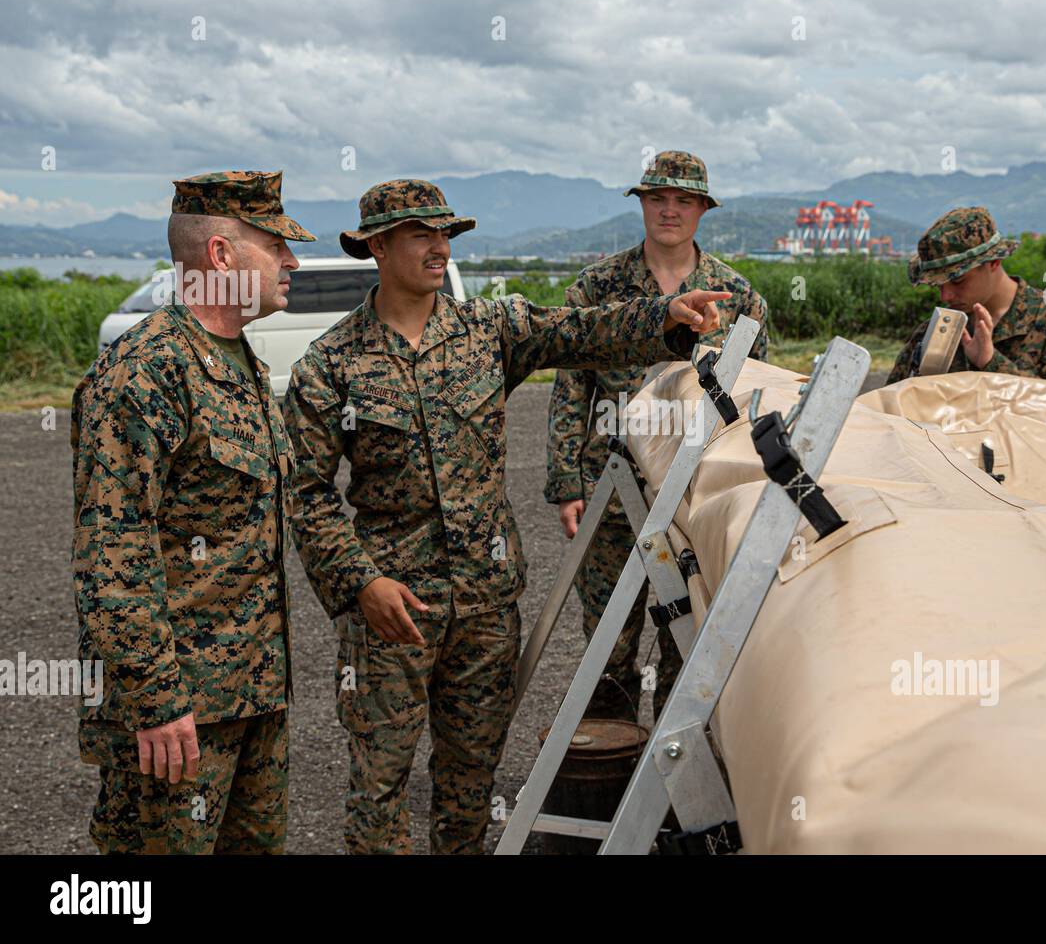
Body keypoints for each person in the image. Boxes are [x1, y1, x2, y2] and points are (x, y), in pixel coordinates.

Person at [283, 178, 728, 854]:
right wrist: (360, 583)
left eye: (446, 235)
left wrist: (666, 314)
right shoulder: (330, 364)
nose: (439, 248)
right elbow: (306, 494)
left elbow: (579, 330)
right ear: (377, 246)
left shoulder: (488, 330)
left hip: (486, 612)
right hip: (392, 613)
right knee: (379, 792)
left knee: (469, 784)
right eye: (420, 235)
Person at [71, 170, 313, 853]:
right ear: (222, 257)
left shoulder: (239, 363)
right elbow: (112, 556)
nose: (292, 261)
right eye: (277, 245)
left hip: (253, 696)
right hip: (178, 718)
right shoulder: (144, 373)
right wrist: (156, 701)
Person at [545, 150, 767, 724]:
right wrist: (567, 483)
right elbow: (571, 387)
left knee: (687, 643)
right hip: (610, 488)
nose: (669, 210)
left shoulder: (736, 296)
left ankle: (675, 796)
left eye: (683, 200)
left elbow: (752, 403)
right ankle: (610, 777)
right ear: (642, 204)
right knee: (608, 645)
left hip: (695, 494)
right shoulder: (599, 286)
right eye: (657, 198)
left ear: (702, 210)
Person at [887, 206, 1046, 384]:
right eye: (937, 285)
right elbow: (892, 408)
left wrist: (991, 362)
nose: (946, 296)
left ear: (994, 262)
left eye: (958, 280)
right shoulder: (934, 333)